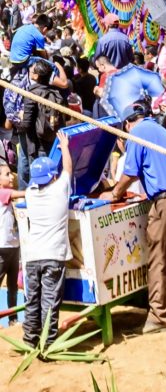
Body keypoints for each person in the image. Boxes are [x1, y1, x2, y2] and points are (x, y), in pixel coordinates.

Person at [110, 97, 166, 332]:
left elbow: (129, 173)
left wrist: (114, 193)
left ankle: (161, 317)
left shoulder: (137, 133)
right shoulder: (160, 129)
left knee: (162, 259)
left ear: (128, 123)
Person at [20, 131, 72, 349]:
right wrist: (65, 147)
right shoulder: (60, 190)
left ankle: (30, 341)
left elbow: (44, 178)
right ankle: (48, 344)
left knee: (32, 301)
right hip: (53, 256)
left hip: (32, 256)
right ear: (52, 176)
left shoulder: (30, 195)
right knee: (49, 301)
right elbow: (68, 169)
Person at [0, 160, 21, 317]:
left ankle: (13, 317)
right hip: (3, 246)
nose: (12, 177)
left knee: (12, 285)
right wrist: (36, 190)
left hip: (13, 246)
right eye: (7, 175)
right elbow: (19, 194)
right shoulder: (2, 193)